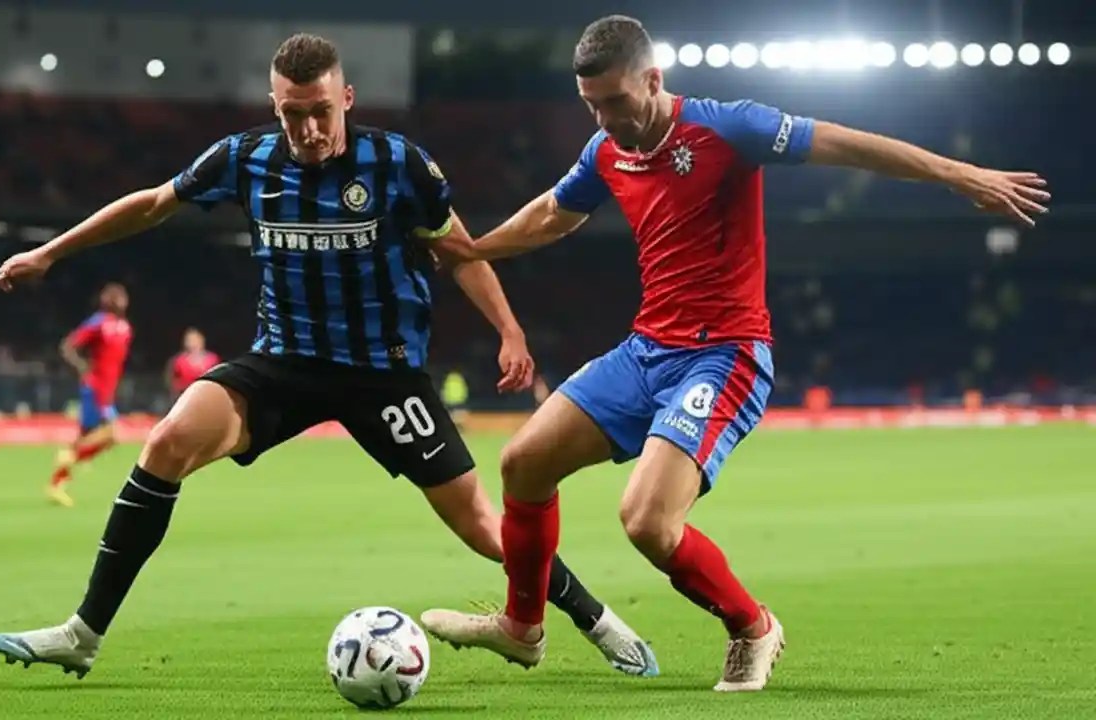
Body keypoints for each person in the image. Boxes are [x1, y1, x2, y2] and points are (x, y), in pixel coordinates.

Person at [0, 33, 655, 679]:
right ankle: (82, 635)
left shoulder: (397, 164)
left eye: (321, 112)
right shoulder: (245, 157)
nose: (307, 130)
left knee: (481, 523)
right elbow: (154, 205)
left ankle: (597, 620)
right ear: (274, 106)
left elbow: (458, 250)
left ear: (347, 99)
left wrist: (509, 330)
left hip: (384, 374)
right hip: (284, 363)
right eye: (292, 114)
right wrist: (50, 252)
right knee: (167, 443)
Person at [418, 14, 1049, 692]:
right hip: (647, 350)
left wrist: (960, 174)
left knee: (648, 523)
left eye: (615, 101)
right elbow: (551, 214)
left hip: (725, 356)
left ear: (653, 80)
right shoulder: (606, 151)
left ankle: (753, 628)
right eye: (591, 105)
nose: (604, 119)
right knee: (523, 464)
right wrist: (472, 250)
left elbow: (847, 145)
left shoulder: (727, 128)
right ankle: (522, 628)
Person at [48, 283, 133, 508]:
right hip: (95, 388)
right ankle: (69, 457)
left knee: (90, 438)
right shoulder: (98, 322)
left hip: (107, 390)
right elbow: (68, 345)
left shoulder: (124, 327)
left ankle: (57, 484)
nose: (122, 301)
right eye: (117, 297)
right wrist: (82, 368)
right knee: (112, 434)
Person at [166, 327, 220, 399]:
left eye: (195, 340)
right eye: (189, 340)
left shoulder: (212, 359)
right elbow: (172, 382)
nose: (193, 343)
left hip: (208, 396)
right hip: (186, 397)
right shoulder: (179, 361)